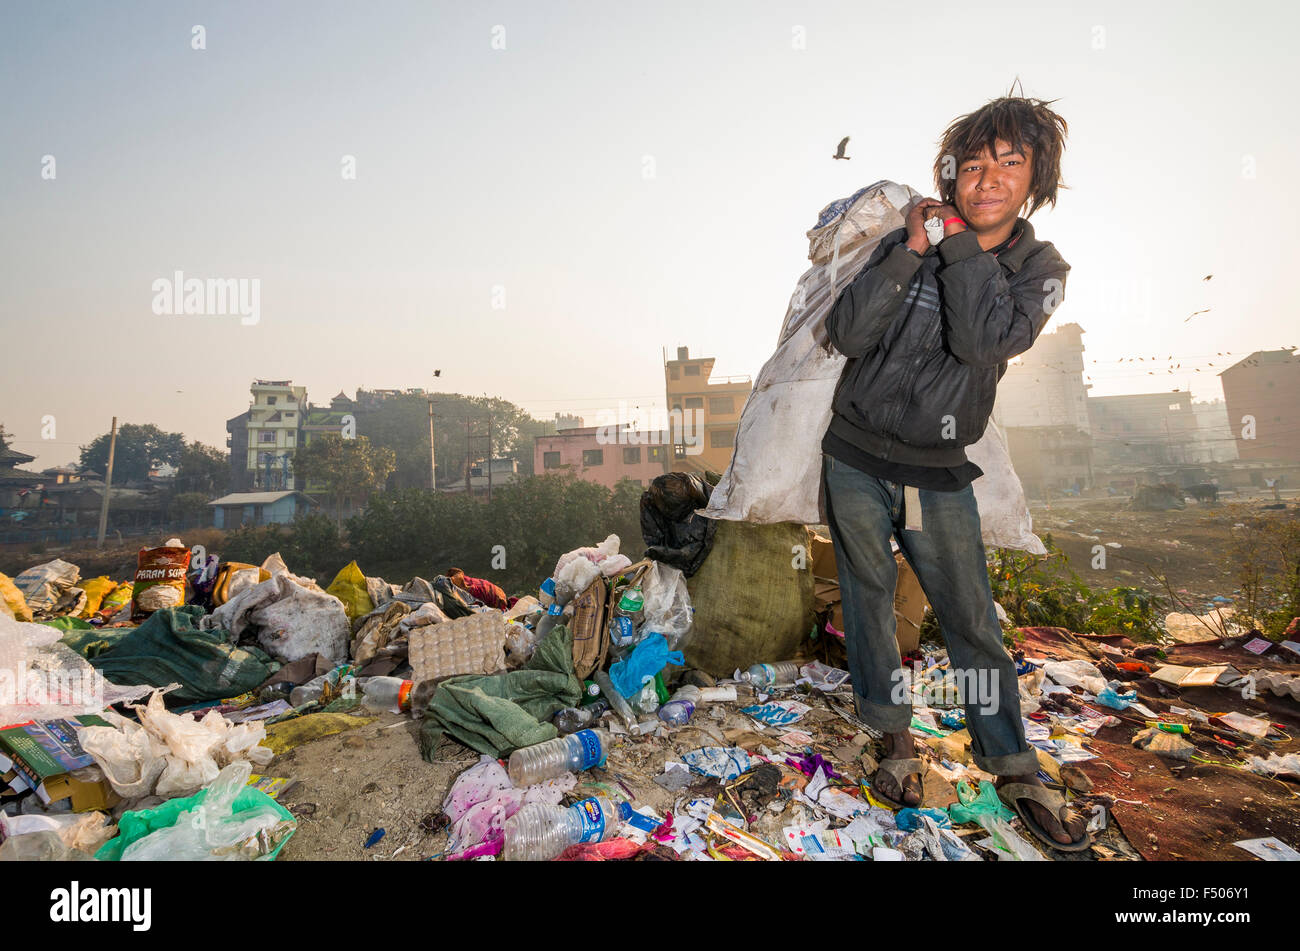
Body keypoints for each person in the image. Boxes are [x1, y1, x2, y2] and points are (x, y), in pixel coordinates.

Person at [821, 93, 1089, 850]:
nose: (987, 178)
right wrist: (909, 249)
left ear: (1036, 178)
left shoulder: (1039, 268)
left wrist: (958, 249)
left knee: (971, 621)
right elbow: (846, 332)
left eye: (1009, 163)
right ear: (951, 173)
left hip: (938, 471)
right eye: (973, 164)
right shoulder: (907, 242)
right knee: (867, 602)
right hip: (854, 454)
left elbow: (982, 342)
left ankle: (1011, 762)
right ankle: (891, 735)